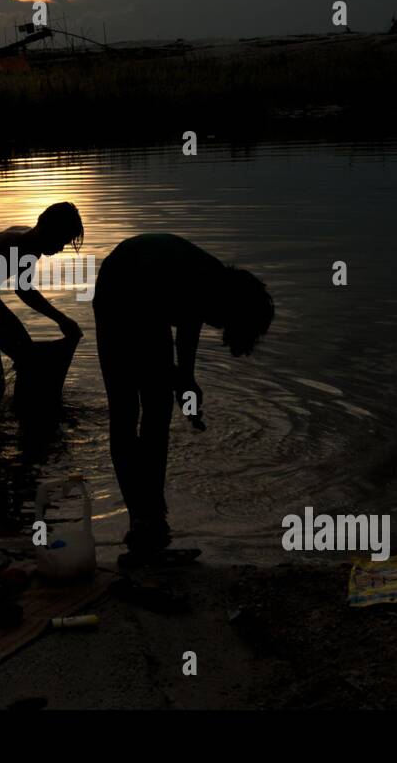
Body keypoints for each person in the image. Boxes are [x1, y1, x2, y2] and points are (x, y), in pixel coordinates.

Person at [93, 233, 274, 563]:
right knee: (125, 410)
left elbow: (187, 331)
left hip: (151, 301)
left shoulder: (213, 285)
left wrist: (185, 381)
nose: (222, 330)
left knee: (158, 408)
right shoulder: (207, 284)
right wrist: (181, 379)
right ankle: (140, 512)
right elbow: (184, 328)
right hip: (118, 293)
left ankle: (152, 505)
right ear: (238, 311)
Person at [0, 202, 85, 407]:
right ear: (49, 230)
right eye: (61, 241)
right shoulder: (9, 246)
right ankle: (3, 424)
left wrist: (61, 319)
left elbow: (23, 289)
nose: (60, 249)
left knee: (23, 364)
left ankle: (12, 419)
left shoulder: (30, 244)